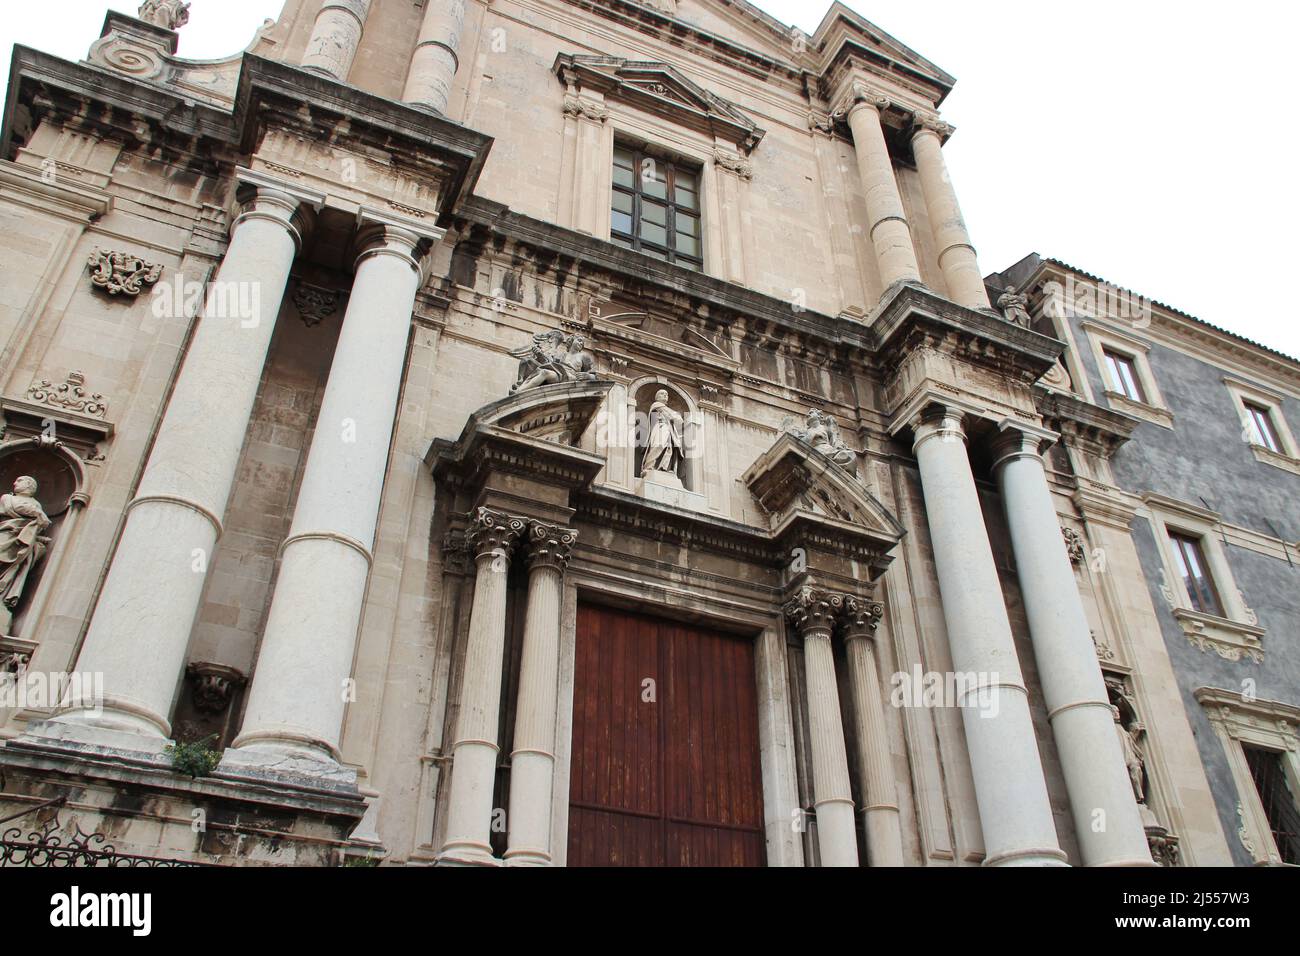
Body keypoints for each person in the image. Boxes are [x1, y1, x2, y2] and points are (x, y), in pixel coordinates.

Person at [0, 476, 52, 630]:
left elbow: (41, 523)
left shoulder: (36, 504)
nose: (15, 483)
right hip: (5, 534)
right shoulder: (8, 498)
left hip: (22, 543)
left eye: (19, 480)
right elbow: (19, 508)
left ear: (29, 485)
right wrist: (37, 514)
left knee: (13, 569)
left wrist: (38, 515)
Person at [643, 389, 684, 476]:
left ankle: (664, 468)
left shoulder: (664, 408)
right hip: (660, 428)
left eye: (666, 394)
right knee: (659, 445)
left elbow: (678, 419)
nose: (665, 395)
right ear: (657, 397)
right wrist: (676, 416)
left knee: (669, 448)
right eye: (662, 394)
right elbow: (674, 416)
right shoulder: (657, 405)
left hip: (669, 429)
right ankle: (649, 467)